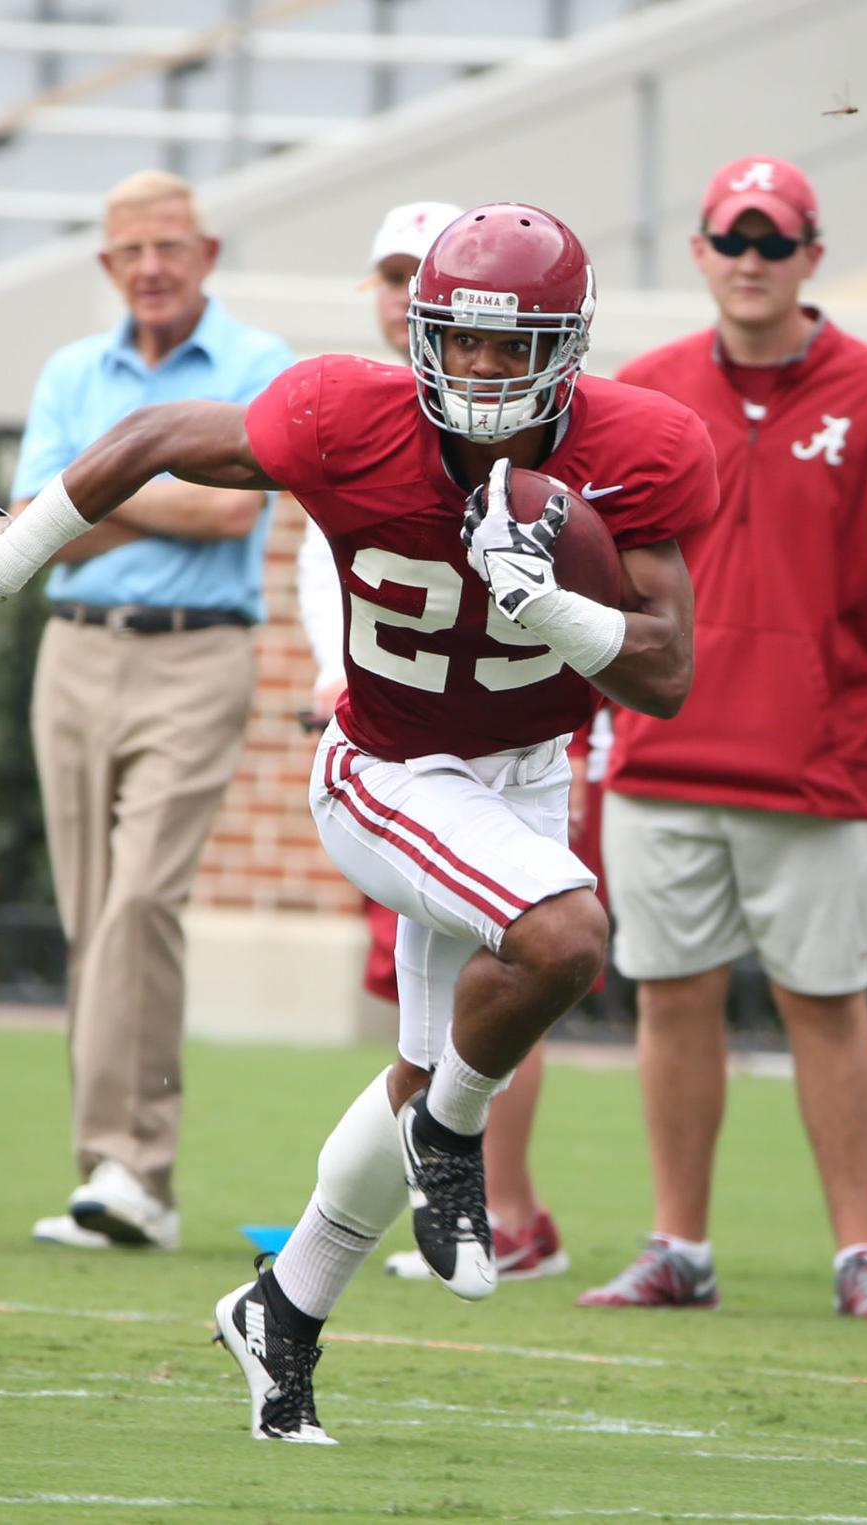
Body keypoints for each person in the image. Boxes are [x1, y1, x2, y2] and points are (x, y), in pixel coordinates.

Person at [0, 201, 718, 1441]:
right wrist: (26, 538)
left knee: (424, 1061)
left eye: (507, 343)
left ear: (566, 343)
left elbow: (667, 672)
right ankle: (452, 1143)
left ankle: (285, 1309)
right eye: (457, 340)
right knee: (569, 939)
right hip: (387, 767)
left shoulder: (638, 445)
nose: (477, 367)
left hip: (523, 771)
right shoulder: (346, 415)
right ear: (419, 333)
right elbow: (152, 432)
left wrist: (559, 612)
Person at [577, 155, 867, 1321]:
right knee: (673, 997)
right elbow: (577, 580)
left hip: (824, 766)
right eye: (731, 240)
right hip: (662, 756)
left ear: (812, 256)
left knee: (828, 1000)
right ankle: (677, 1248)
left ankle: (860, 1253)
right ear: (698, 253)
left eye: (774, 240)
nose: (751, 261)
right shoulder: (637, 392)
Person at [5, 170, 295, 1251]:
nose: (154, 267)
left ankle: (138, 1169)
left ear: (207, 253)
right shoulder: (73, 369)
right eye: (133, 250)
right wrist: (111, 500)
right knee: (92, 915)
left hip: (197, 656)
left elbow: (229, 506)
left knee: (138, 905)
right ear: (107, 265)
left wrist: (92, 495)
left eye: (172, 246)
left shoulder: (258, 364)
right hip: (75, 656)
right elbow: (33, 521)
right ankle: (111, 1174)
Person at [296, 198, 570, 1282]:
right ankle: (449, 1178)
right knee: (484, 991)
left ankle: (488, 1205)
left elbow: (656, 641)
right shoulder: (339, 416)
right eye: (402, 278)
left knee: (493, 994)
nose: (423, 303)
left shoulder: (595, 438)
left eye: (441, 284)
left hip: (508, 749)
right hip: (394, 755)